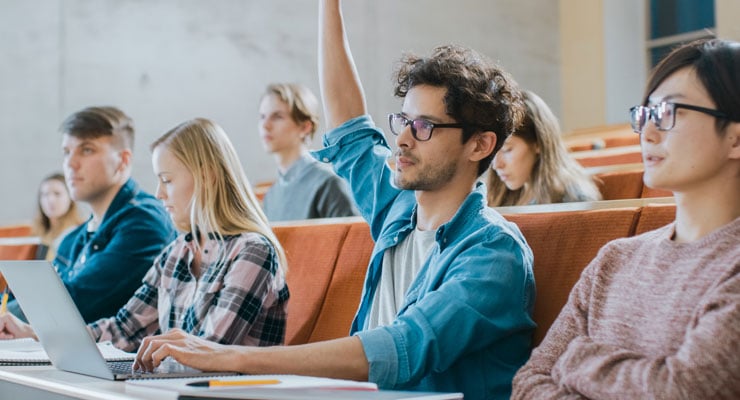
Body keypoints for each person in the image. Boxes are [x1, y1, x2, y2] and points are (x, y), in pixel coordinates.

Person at [133, 1, 535, 399]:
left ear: (480, 145)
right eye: (403, 120)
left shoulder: (494, 253)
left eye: (424, 126)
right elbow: (350, 129)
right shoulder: (398, 209)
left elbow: (403, 347)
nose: (403, 138)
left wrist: (226, 356)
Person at [512, 38, 740, 399]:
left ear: (736, 138)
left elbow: (681, 391)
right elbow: (528, 382)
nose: (647, 133)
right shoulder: (615, 258)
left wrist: (577, 358)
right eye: (645, 115)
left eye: (668, 113)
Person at [1, 118, 289, 351]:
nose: (158, 193)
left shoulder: (253, 251)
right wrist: (33, 333)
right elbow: (123, 329)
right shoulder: (177, 252)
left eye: (166, 180)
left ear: (208, 176)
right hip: (173, 388)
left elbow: (209, 351)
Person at [5, 106, 176, 323]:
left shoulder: (145, 224)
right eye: (67, 152)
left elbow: (72, 304)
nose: (70, 163)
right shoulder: (72, 240)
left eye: (87, 150)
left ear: (123, 161)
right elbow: (37, 300)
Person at [258, 82, 358, 221]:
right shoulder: (270, 197)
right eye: (262, 116)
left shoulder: (329, 183)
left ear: (305, 127)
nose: (265, 125)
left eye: (277, 116)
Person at [488, 90, 601, 206]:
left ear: (538, 143)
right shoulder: (505, 194)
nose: (496, 165)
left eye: (507, 149)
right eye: (492, 152)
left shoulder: (573, 199)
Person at [31, 172, 85, 261]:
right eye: (45, 194)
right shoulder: (37, 235)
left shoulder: (78, 235)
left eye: (57, 194)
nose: (50, 200)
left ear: (70, 198)